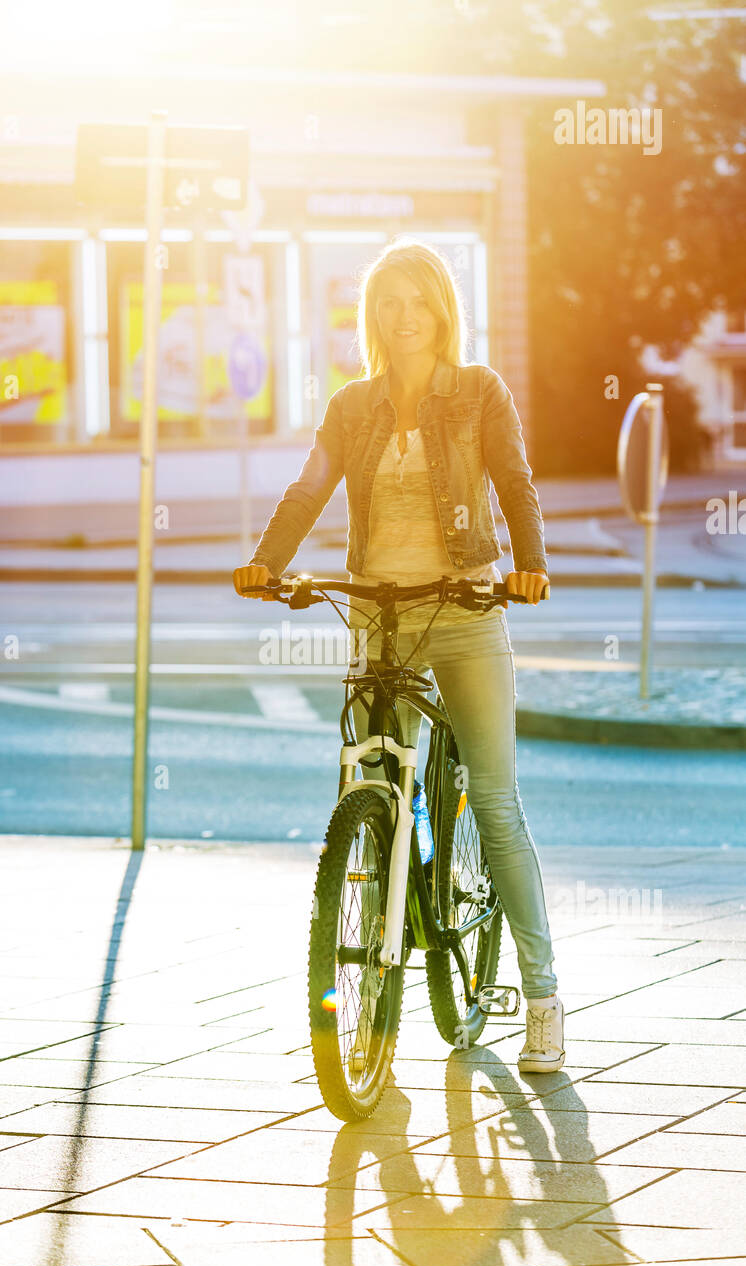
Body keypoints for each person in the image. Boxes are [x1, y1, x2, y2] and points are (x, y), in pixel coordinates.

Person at [233, 238, 564, 1073]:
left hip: (466, 607)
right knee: (369, 778)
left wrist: (529, 564)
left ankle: (543, 996)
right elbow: (311, 485)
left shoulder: (480, 392)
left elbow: (515, 481)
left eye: (418, 301)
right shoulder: (353, 406)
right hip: (376, 611)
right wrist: (269, 560)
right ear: (372, 317)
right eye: (388, 303)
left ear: (442, 311)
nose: (404, 316)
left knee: (492, 800)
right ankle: (377, 962)